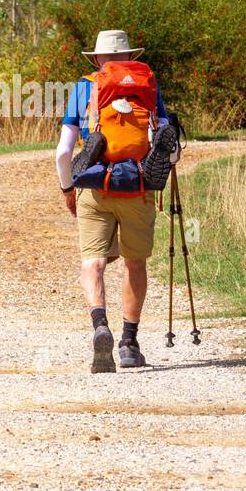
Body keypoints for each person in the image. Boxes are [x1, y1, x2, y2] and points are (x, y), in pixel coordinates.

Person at [56, 30, 171, 373]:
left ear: (95, 59)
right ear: (132, 57)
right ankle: (129, 345)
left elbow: (63, 152)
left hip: (94, 185)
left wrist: (67, 189)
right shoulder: (147, 85)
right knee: (135, 263)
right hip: (137, 186)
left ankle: (99, 326)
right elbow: (167, 144)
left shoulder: (83, 87)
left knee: (93, 262)